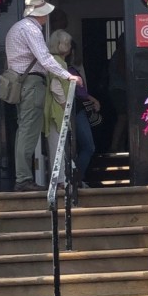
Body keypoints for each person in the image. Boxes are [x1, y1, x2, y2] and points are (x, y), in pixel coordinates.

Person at [4, 0, 81, 192]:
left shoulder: (16, 27)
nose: (47, 17)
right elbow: (45, 58)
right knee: (28, 131)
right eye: (45, 13)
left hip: (21, 82)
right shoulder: (31, 29)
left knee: (24, 130)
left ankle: (23, 177)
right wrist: (67, 75)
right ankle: (23, 179)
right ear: (40, 14)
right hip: (31, 83)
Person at [44, 32, 98, 188]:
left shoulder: (59, 61)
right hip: (57, 110)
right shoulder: (57, 62)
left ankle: (69, 178)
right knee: (57, 143)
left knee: (62, 144)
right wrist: (64, 104)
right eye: (66, 44)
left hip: (59, 110)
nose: (68, 47)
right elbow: (56, 87)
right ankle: (61, 180)